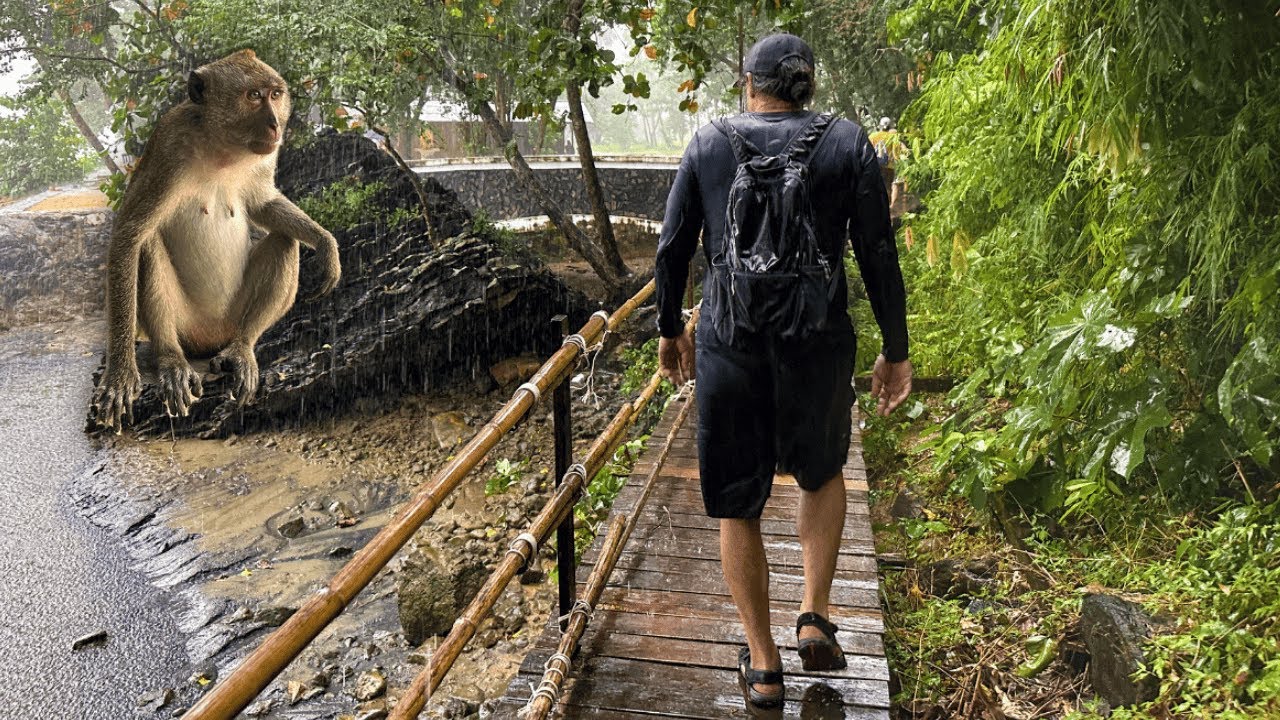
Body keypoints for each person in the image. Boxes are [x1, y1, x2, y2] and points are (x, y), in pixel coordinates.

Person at [653, 33, 913, 709]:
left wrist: (669, 329)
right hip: (816, 343)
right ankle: (814, 613)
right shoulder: (847, 143)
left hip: (730, 346)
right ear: (810, 87)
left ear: (749, 84)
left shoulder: (708, 144)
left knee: (737, 503)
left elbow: (673, 248)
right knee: (821, 472)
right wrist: (896, 348)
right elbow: (878, 252)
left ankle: (764, 665)